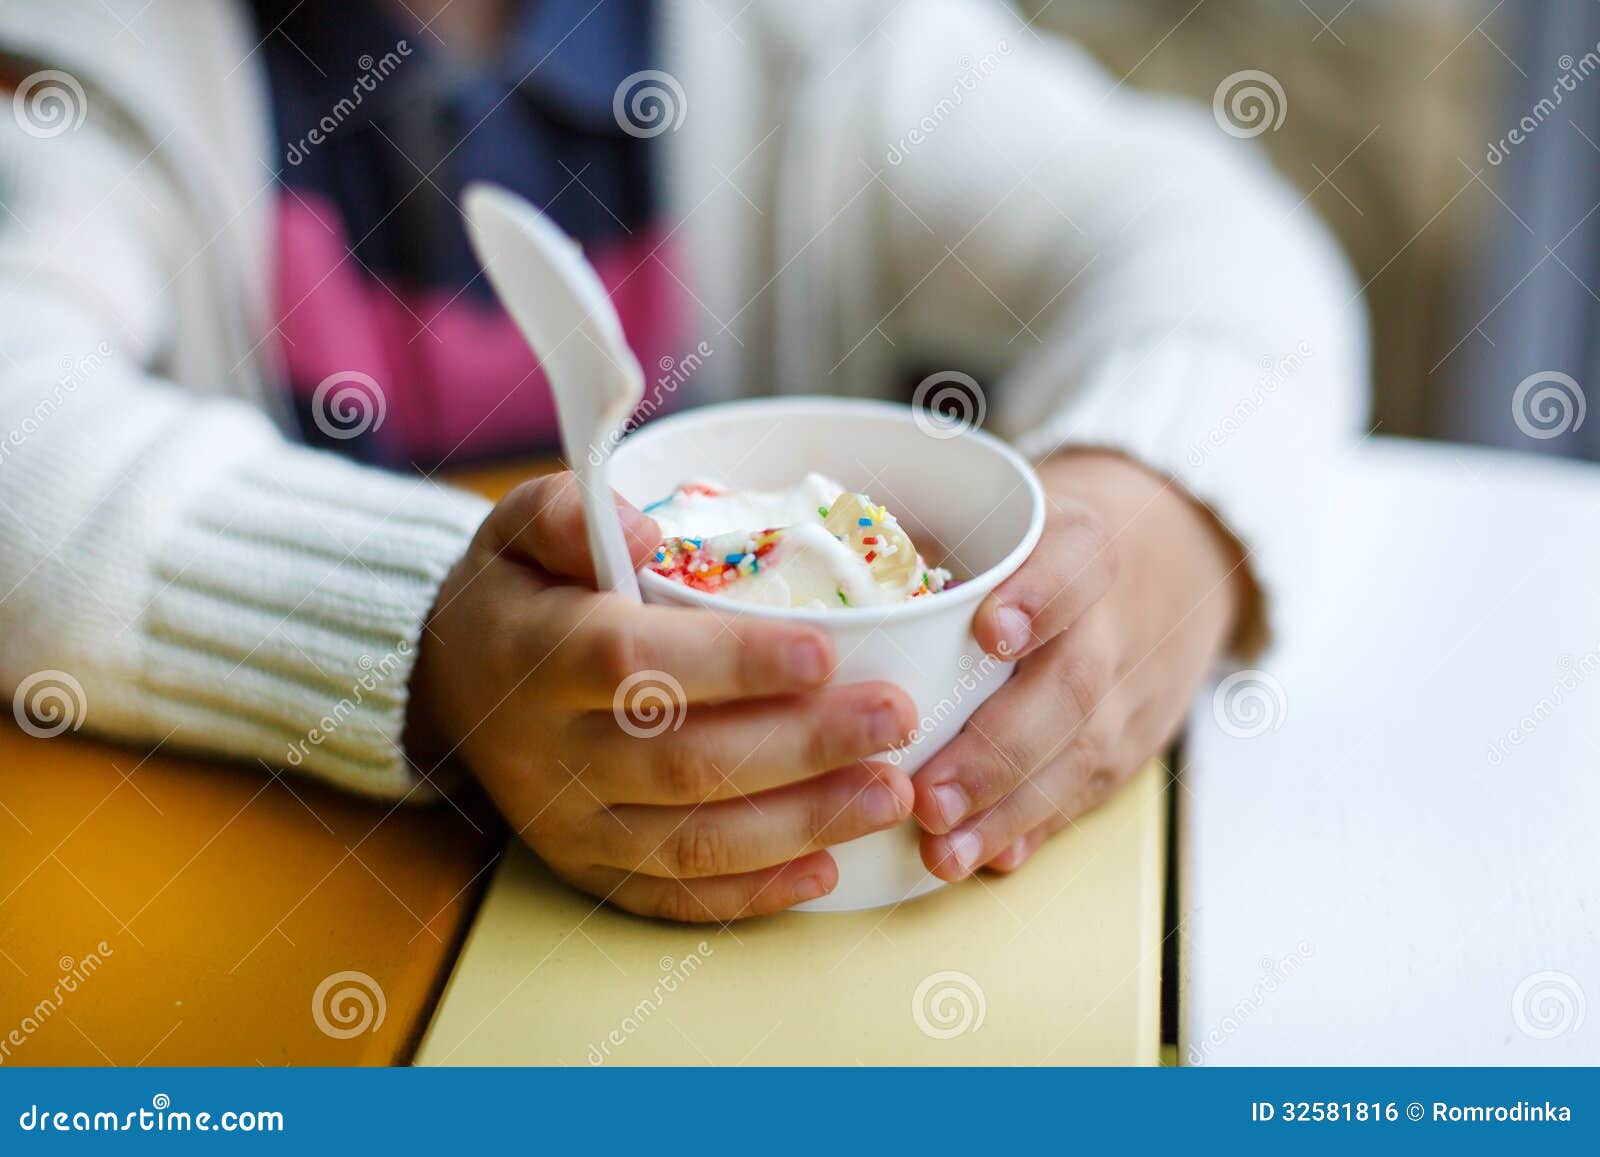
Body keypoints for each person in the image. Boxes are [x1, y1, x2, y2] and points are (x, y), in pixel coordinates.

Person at [0, 0, 1366, 922]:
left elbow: (1212, 244)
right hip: (279, 911)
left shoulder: (823, 44)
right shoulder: (84, 65)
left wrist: (1164, 504)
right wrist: (427, 641)